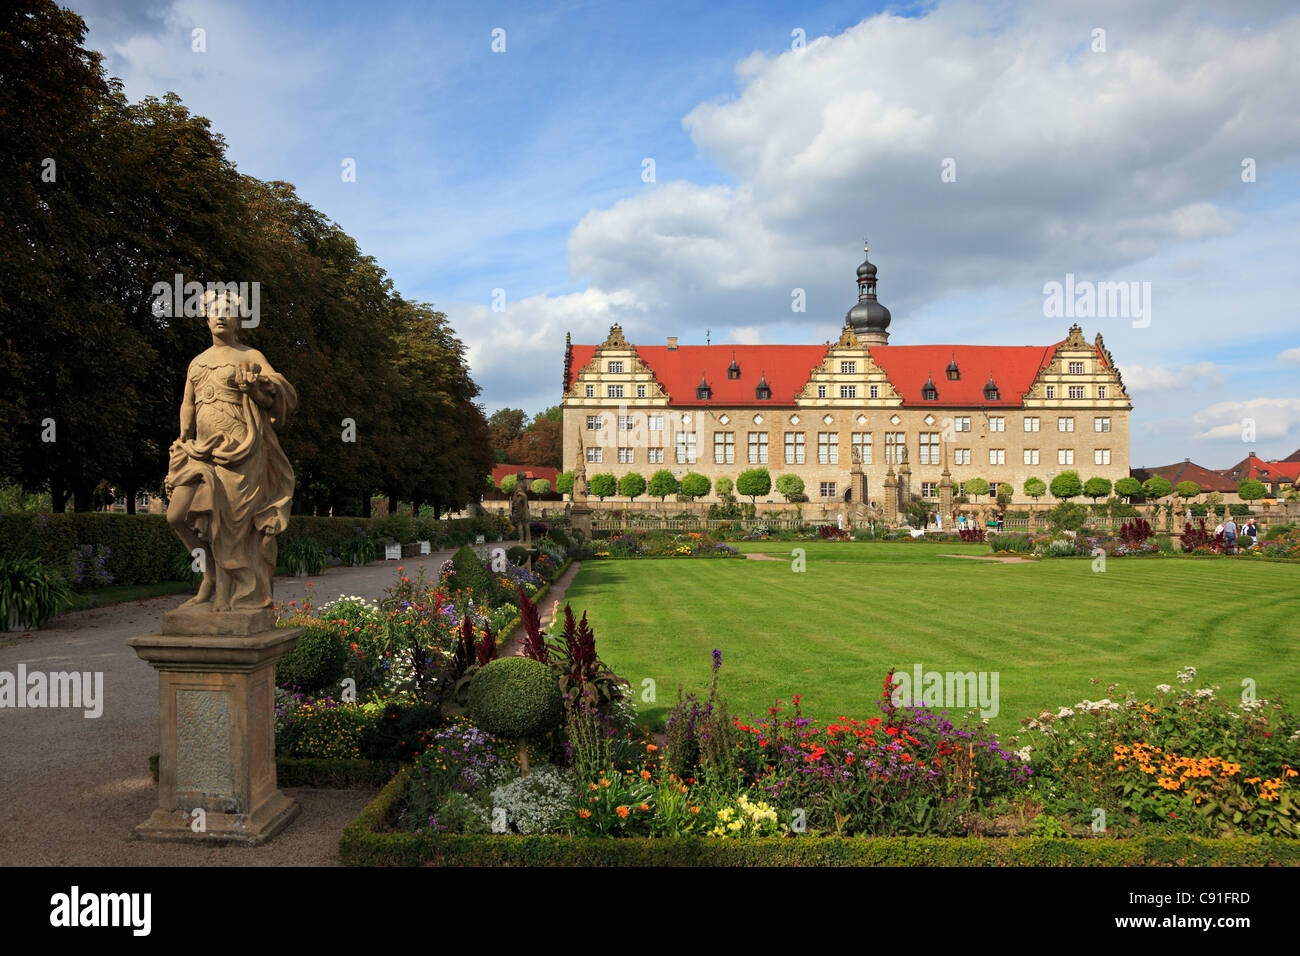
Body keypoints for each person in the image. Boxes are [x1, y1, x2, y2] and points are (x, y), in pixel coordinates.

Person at [166, 289, 297, 611]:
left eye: (228, 310)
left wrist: (254, 388)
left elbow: (274, 401)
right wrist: (183, 438)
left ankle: (226, 595)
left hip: (241, 451)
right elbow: (188, 403)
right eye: (214, 310)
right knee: (176, 515)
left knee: (230, 528)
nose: (220, 315)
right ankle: (209, 574)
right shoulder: (197, 362)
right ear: (207, 319)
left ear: (239, 321)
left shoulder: (250, 356)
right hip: (200, 451)